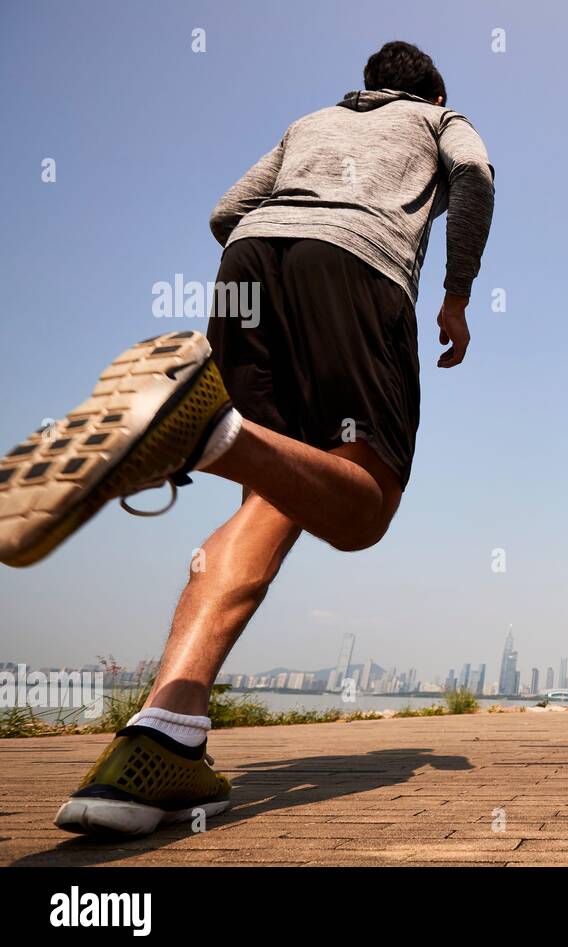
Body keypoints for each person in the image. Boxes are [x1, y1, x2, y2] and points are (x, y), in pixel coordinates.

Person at [0, 40, 495, 838]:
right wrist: (458, 293)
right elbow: (476, 175)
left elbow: (225, 211)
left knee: (276, 495)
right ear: (433, 92)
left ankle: (159, 742)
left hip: (247, 267)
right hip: (355, 267)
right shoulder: (441, 119)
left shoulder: (311, 120)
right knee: (363, 506)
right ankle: (207, 431)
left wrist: (275, 255)